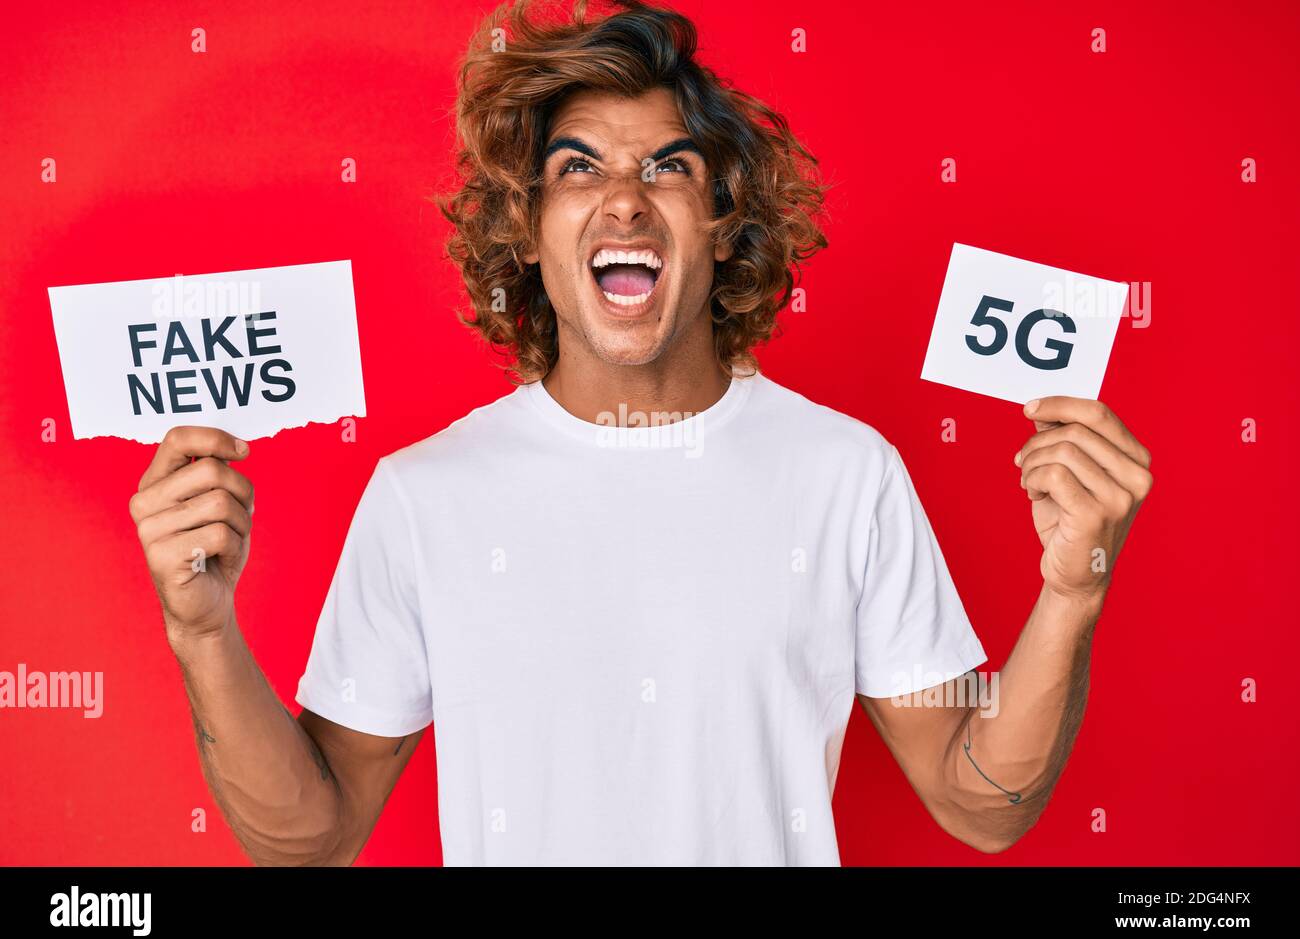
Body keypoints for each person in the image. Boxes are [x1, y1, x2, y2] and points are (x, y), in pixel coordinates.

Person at [128, 0, 1153, 866]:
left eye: (667, 168)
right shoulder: (422, 495)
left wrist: (1073, 591)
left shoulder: (847, 476)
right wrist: (203, 631)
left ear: (719, 220)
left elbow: (979, 802)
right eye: (578, 171)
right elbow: (310, 834)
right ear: (528, 232)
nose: (623, 197)